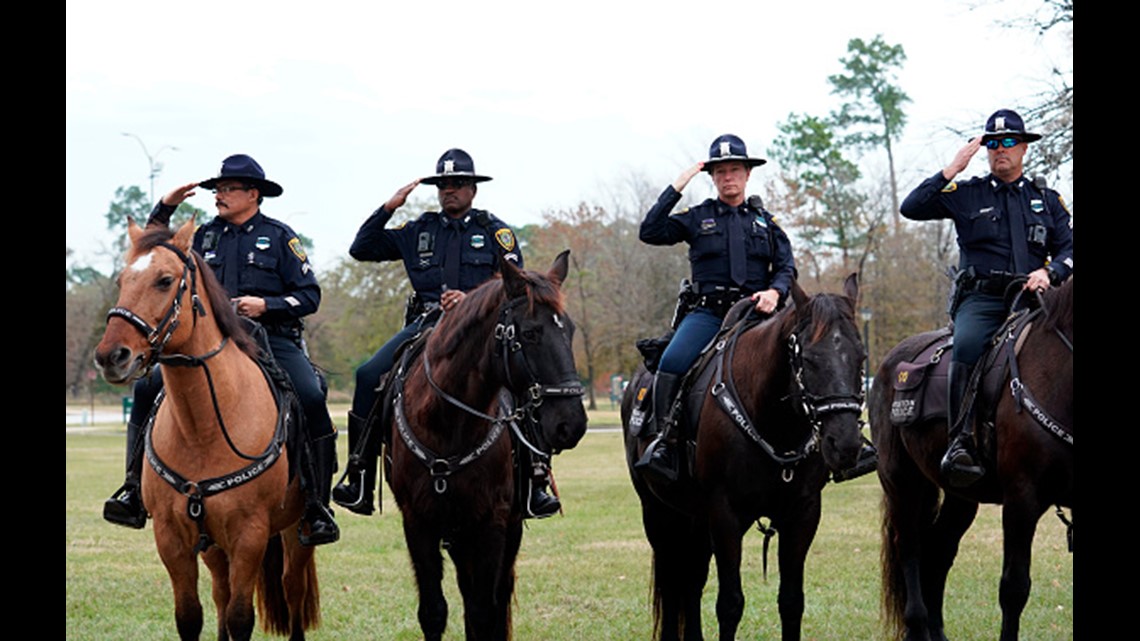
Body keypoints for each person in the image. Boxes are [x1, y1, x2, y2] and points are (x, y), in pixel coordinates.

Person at [103, 154, 340, 546]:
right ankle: (132, 489)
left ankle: (316, 505)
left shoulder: (281, 238)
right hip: (211, 343)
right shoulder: (204, 236)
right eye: (217, 189)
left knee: (311, 396)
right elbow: (152, 252)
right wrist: (166, 206)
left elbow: (309, 295)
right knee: (145, 389)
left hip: (270, 337)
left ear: (253, 194)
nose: (219, 195)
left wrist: (267, 305)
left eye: (228, 189)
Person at [332, 148, 561, 519]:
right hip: (426, 323)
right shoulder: (419, 229)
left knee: (520, 379)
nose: (449, 190)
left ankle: (536, 478)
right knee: (368, 375)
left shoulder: (495, 232)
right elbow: (362, 249)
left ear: (473, 189)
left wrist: (470, 300)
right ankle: (358, 473)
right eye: (443, 185)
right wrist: (389, 207)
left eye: (457, 184)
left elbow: (515, 287)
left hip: (479, 332)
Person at [900, 108, 1073, 487]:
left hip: (1035, 301)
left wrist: (1050, 272)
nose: (1000, 150)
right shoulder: (967, 193)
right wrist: (952, 169)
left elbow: (1069, 249)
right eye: (992, 144)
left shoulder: (1046, 199)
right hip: (983, 300)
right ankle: (962, 440)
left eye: (1009, 142)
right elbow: (911, 207)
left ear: (1024, 148)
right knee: (965, 346)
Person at [634, 134, 798, 482]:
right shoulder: (697, 217)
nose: (728, 177)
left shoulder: (766, 223)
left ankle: (825, 443)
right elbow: (650, 231)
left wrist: (775, 291)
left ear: (747, 174)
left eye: (734, 169)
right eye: (720, 171)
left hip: (760, 315)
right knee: (672, 362)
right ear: (711, 177)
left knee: (812, 356)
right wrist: (678, 185)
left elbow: (787, 267)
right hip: (709, 315)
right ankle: (667, 442)